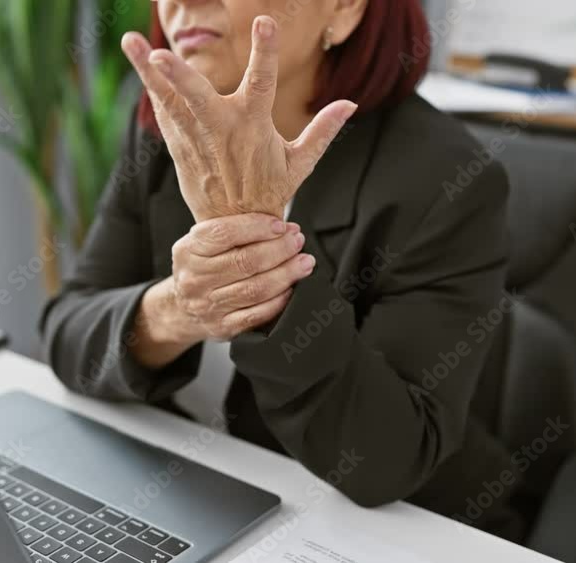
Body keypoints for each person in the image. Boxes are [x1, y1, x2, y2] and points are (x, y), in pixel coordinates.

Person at [42, 0, 525, 540]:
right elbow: (67, 334)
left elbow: (387, 461)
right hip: (195, 497)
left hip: (389, 532)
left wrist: (257, 265)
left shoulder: (445, 179)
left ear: (342, 11)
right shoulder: (165, 126)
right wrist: (182, 306)